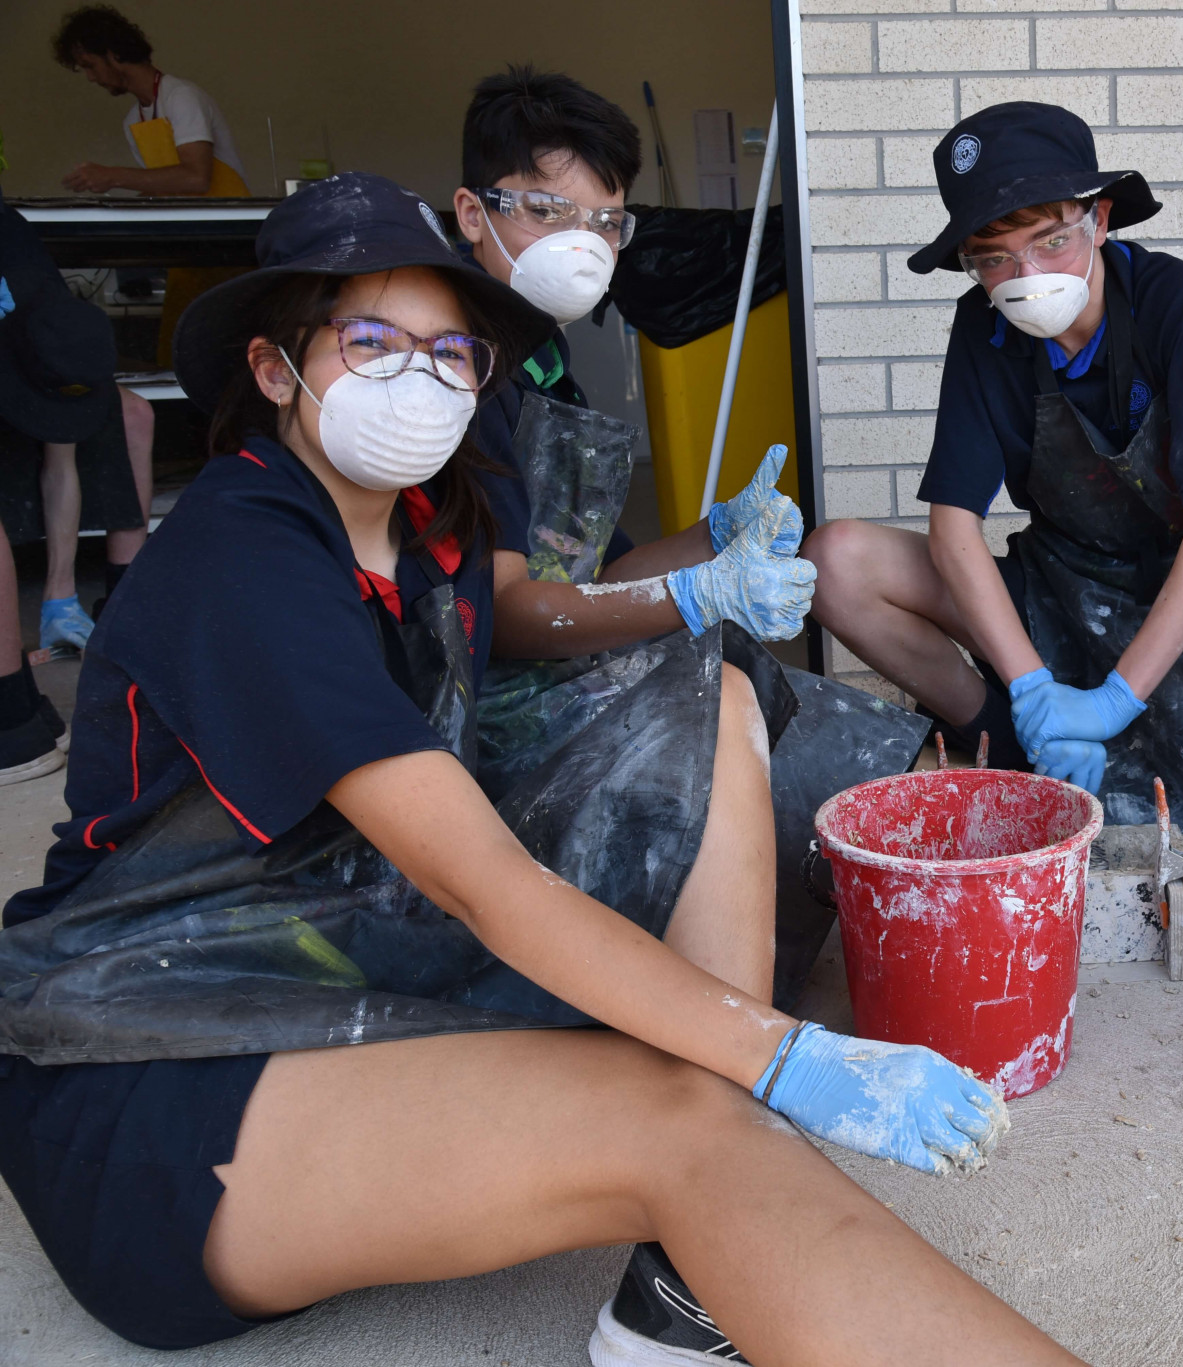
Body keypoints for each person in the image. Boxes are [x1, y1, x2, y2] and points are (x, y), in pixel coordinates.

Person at [0, 174, 1073, 1367]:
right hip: (156, 1042)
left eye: (450, 351)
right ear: (272, 369)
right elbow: (483, 885)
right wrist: (786, 1053)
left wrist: (709, 549)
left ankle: (693, 1237)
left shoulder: (420, 522)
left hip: (341, 932)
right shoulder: (243, 558)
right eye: (371, 342)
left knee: (707, 691)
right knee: (691, 1126)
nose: (420, 377)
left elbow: (529, 619)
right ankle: (720, 1129)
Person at [804, 102, 1183, 921]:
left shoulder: (1175, 302)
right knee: (835, 560)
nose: (1023, 276)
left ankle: (1118, 731)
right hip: (1058, 590)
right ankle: (1007, 740)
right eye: (993, 259)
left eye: (1049, 239)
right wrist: (1031, 686)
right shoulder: (983, 328)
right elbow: (954, 530)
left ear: (1099, 218)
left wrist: (1115, 699)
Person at [450, 66, 818, 796]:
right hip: (482, 719)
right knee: (742, 714)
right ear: (471, 213)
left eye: (605, 222)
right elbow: (507, 616)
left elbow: (599, 578)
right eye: (549, 210)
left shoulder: (544, 361)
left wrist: (716, 537)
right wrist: (694, 593)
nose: (581, 245)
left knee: (771, 694)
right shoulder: (454, 373)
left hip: (554, 670)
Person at [0, 191, 153, 657]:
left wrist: (58, 603)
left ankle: (107, 603)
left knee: (131, 415)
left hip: (19, 355)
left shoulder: (17, 248)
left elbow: (59, 453)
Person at [51, 5, 247, 199]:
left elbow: (196, 178)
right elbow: (165, 187)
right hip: (190, 224)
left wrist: (112, 176)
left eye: (90, 66)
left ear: (112, 54)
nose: (90, 78)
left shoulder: (181, 96)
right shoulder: (133, 121)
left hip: (230, 222)